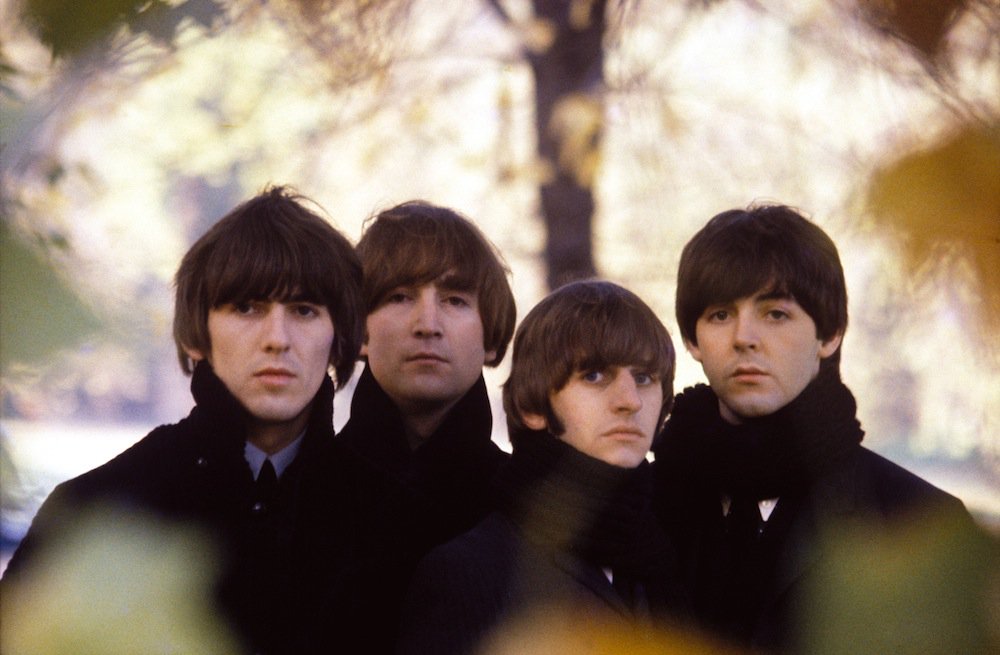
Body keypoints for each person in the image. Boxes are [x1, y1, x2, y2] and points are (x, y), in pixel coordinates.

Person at [1, 187, 364, 654]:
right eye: (247, 308)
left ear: (338, 338)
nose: (278, 338)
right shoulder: (101, 507)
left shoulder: (384, 518)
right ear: (198, 335)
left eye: (304, 310)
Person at [653, 204, 982, 653]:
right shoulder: (639, 510)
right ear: (693, 340)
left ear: (829, 336)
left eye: (775, 314)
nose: (744, 336)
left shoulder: (921, 521)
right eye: (720, 315)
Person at [397, 280, 687, 655]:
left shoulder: (664, 552)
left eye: (644, 378)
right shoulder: (469, 573)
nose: (630, 400)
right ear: (532, 409)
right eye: (594, 375)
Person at [328, 200, 517, 651]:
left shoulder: (529, 506)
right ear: (359, 331)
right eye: (399, 297)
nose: (427, 324)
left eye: (454, 300)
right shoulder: (305, 494)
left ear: (490, 338)